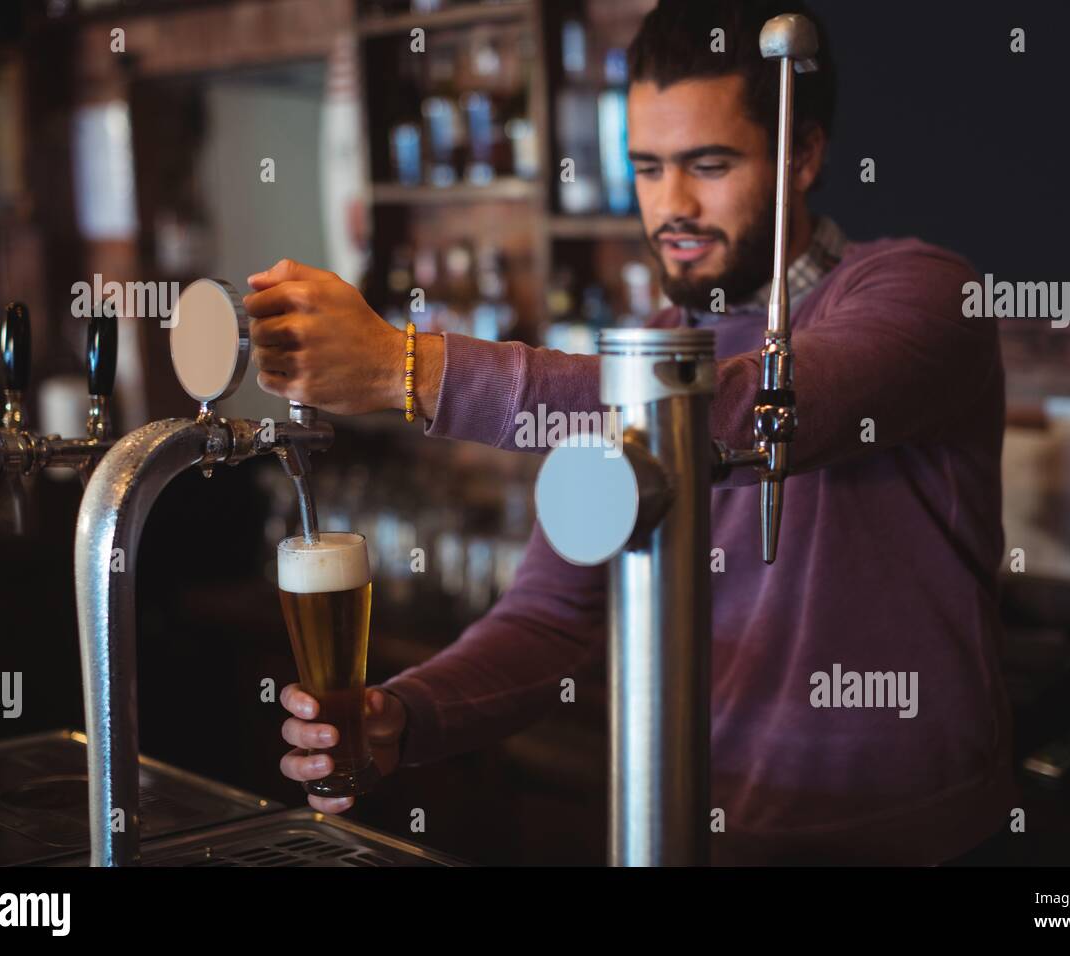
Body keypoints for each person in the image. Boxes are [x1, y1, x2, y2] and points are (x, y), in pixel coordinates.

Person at [244, 0, 1016, 865]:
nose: (672, 206)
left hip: (925, 845)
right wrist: (408, 713)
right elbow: (551, 618)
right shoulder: (639, 359)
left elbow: (748, 408)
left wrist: (405, 368)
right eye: (648, 168)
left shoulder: (925, 294)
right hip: (701, 838)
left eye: (709, 164)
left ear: (803, 153)